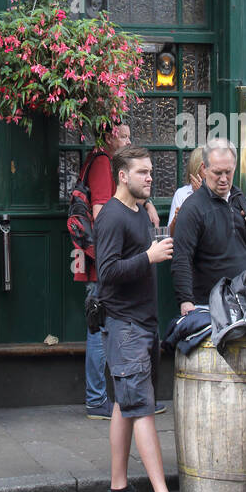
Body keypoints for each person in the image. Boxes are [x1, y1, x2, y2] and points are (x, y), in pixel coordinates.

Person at [94, 145, 190, 492]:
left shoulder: (137, 213)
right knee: (143, 408)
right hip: (125, 325)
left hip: (143, 323)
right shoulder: (112, 217)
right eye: (143, 173)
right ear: (122, 175)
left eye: (151, 172)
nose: (150, 178)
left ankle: (119, 488)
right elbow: (106, 273)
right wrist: (148, 258)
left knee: (126, 404)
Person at [74, 123, 159, 419]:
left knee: (101, 326)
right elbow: (101, 214)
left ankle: (116, 399)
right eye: (123, 135)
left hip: (104, 259)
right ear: (109, 136)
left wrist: (143, 204)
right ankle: (97, 398)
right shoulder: (102, 163)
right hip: (102, 261)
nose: (128, 138)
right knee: (100, 328)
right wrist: (146, 255)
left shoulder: (103, 163)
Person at [172, 138, 246, 314]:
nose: (223, 179)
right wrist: (186, 300)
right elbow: (181, 257)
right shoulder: (192, 207)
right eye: (217, 172)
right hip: (209, 304)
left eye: (228, 172)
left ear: (235, 167)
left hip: (244, 297)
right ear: (204, 169)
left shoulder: (238, 197)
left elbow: (236, 243)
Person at [167, 146, 204, 233]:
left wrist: (203, 195)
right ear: (197, 168)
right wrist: (177, 218)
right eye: (206, 167)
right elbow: (170, 234)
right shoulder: (182, 193)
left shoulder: (221, 191)